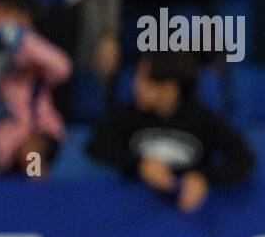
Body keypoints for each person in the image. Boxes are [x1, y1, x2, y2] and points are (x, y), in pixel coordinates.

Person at [86, 49, 254, 212]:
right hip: (133, 212)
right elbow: (97, 145)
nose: (135, 86)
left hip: (190, 219)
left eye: (145, 80)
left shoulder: (203, 119)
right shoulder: (127, 115)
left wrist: (204, 178)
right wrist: (139, 164)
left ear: (170, 88)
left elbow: (242, 159)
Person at [0, 0, 70, 176]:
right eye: (0, 14)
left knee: (31, 152)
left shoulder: (32, 51)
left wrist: (25, 41)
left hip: (42, 129)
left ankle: (40, 195)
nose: (5, 22)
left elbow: (63, 69)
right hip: (4, 136)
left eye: (12, 15)